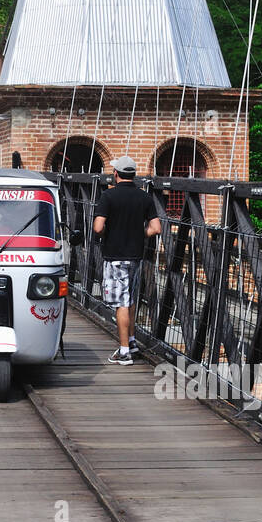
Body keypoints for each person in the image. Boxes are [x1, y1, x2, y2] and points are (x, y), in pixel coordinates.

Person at [93, 156, 161, 365]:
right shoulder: (145, 198)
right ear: (133, 175)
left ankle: (124, 352)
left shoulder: (108, 196)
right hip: (136, 255)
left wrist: (108, 233)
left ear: (116, 174)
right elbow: (156, 228)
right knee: (130, 299)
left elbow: (97, 227)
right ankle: (131, 341)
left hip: (115, 256)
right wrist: (140, 235)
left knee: (121, 303)